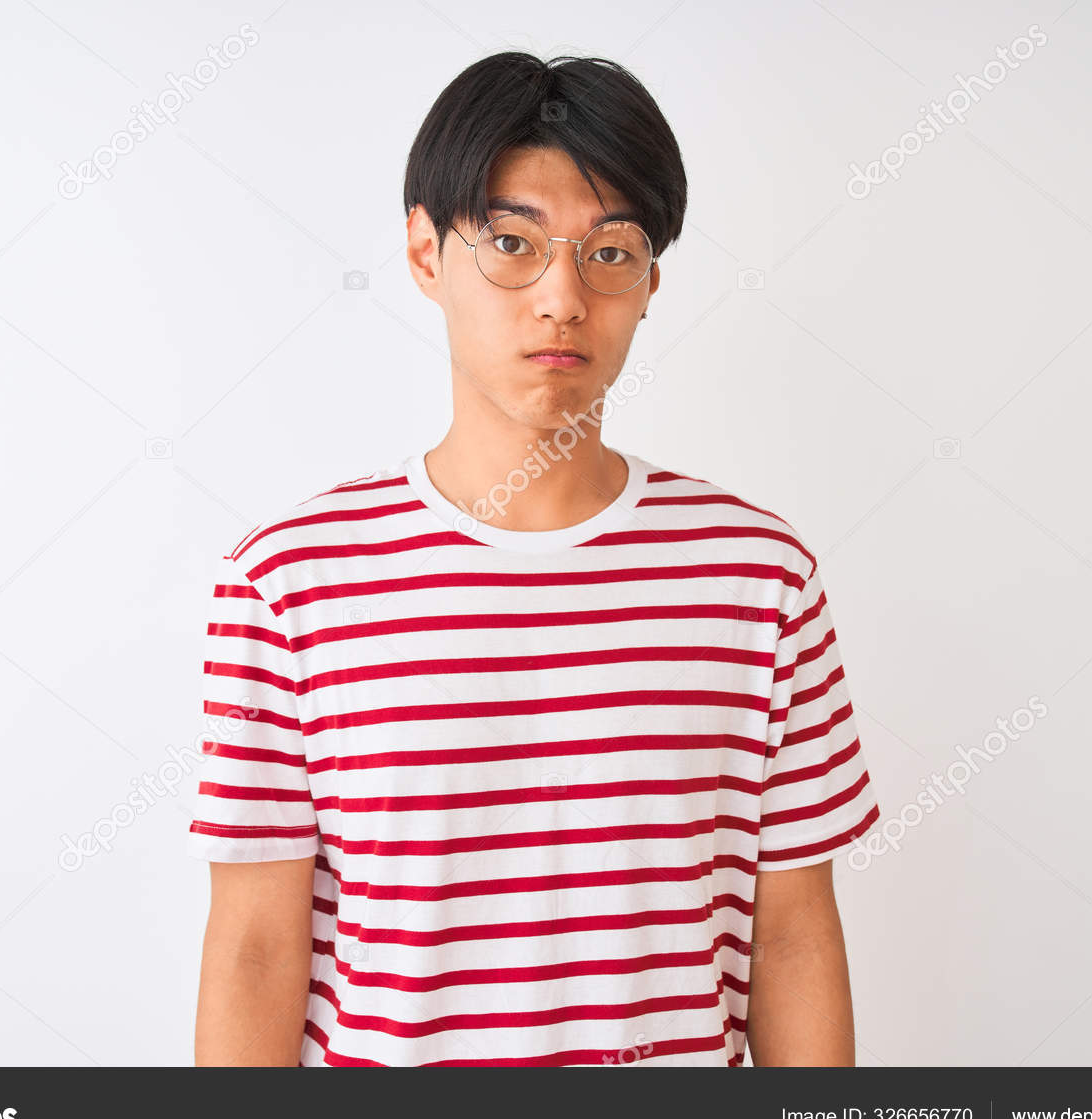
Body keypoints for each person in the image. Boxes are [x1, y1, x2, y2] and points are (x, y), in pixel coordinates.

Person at [191, 51, 881, 1067]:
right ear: (425, 253)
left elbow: (791, 937)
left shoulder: (759, 578)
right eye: (510, 242)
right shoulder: (292, 580)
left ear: (650, 282)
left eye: (609, 251)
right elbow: (255, 949)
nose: (561, 296)